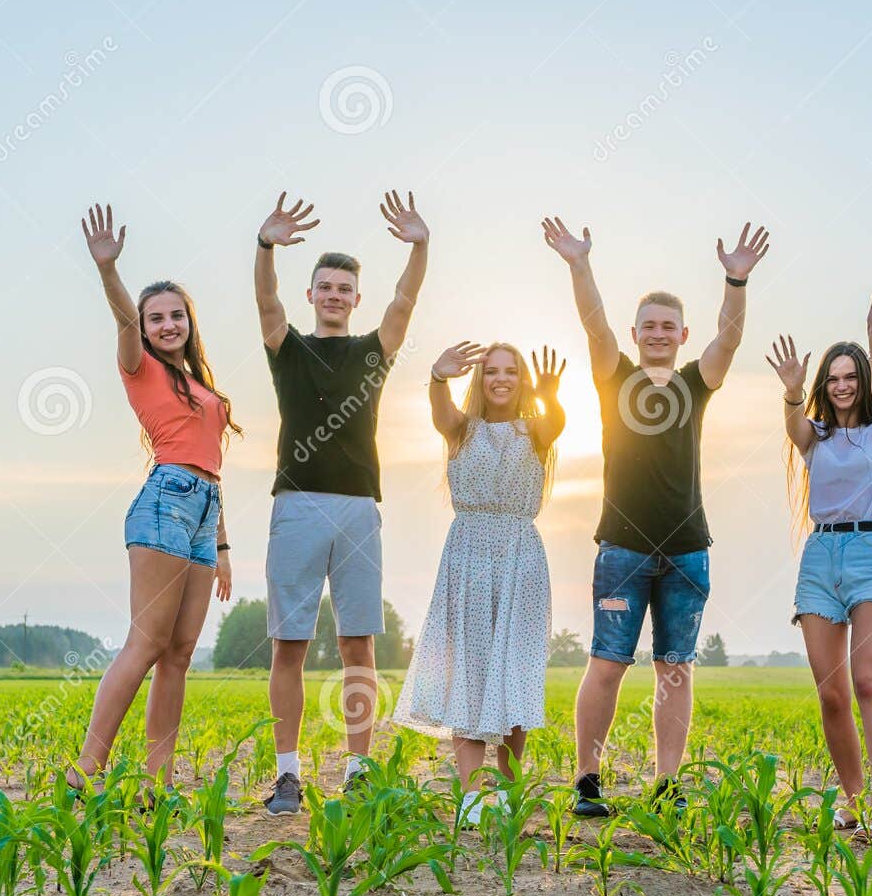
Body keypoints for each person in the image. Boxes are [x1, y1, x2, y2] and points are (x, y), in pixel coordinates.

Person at [541, 215, 770, 817]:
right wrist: (579, 264)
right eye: (650, 326)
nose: (660, 334)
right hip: (621, 549)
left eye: (670, 327)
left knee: (675, 670)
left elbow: (730, 339)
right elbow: (592, 326)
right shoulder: (612, 375)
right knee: (608, 664)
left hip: (688, 551)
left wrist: (735, 282)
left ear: (682, 333)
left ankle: (667, 786)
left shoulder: (698, 382)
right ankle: (587, 783)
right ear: (636, 333)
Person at [255, 190, 429, 816]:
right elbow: (266, 301)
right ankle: (287, 775)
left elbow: (405, 303)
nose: (333, 295)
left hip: (359, 506)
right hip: (297, 506)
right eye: (324, 286)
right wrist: (265, 245)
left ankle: (359, 766)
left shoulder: (371, 352)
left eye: (344, 288)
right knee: (289, 647)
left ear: (356, 298)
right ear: (312, 296)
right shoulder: (289, 348)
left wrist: (419, 246)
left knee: (359, 643)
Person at [67, 203, 238, 794]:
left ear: (189, 322)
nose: (167, 325)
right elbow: (120, 319)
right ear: (142, 328)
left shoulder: (201, 385)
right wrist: (108, 270)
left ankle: (155, 784)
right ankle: (84, 771)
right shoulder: (139, 367)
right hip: (165, 501)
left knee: (180, 653)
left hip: (202, 511)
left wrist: (221, 544)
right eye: (155, 318)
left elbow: (214, 465)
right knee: (146, 643)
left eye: (176, 316)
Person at [391, 341, 566, 825]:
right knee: (465, 672)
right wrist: (436, 375)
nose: (502, 379)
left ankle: (509, 796)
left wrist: (550, 395)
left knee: (513, 673)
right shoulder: (461, 430)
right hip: (467, 554)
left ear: (522, 379)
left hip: (520, 559)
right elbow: (440, 410)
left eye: (512, 371)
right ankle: (469, 799)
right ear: (481, 379)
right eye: (492, 371)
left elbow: (556, 424)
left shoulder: (536, 431)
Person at [769, 288, 872, 830]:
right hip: (820, 557)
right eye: (832, 378)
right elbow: (794, 427)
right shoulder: (817, 437)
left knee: (867, 681)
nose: (842, 385)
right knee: (831, 692)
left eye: (849, 375)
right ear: (823, 387)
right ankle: (854, 800)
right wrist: (790, 393)